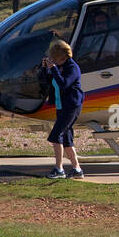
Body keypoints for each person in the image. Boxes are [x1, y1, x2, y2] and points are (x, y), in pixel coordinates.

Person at [38, 39, 84, 179]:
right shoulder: (59, 67)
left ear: (61, 56)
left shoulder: (72, 67)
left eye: (54, 57)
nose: (53, 60)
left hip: (71, 106)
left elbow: (64, 84)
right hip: (61, 105)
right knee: (66, 138)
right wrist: (46, 69)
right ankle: (77, 169)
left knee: (55, 136)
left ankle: (59, 168)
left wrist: (54, 69)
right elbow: (48, 82)